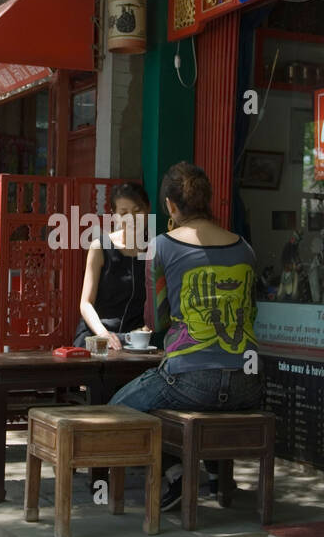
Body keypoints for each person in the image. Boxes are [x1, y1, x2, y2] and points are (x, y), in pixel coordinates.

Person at [109, 162, 261, 512]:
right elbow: (251, 314)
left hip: (191, 378)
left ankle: (176, 474)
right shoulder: (246, 249)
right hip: (249, 383)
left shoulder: (161, 245)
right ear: (209, 202)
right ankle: (214, 474)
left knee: (118, 408)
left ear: (171, 207)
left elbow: (155, 320)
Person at [74, 182, 151, 349]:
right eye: (123, 213)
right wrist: (104, 335)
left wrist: (147, 328)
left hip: (134, 342)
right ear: (114, 216)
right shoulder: (100, 246)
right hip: (96, 336)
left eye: (137, 211)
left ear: (147, 211)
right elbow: (85, 303)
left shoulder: (154, 251)